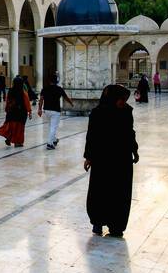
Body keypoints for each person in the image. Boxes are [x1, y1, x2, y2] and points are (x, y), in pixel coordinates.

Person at [84, 84, 139, 237]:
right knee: (100, 190)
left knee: (120, 192)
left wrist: (134, 149)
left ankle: (117, 225)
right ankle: (97, 222)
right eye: (121, 99)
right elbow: (92, 136)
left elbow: (130, 132)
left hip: (122, 158)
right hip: (102, 159)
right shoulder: (98, 113)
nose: (124, 102)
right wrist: (89, 157)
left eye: (125, 99)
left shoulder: (127, 112)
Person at [38, 71, 74, 148]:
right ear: (56, 81)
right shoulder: (59, 89)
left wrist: (39, 109)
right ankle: (49, 143)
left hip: (47, 110)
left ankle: (54, 139)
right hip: (55, 111)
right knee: (53, 127)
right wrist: (71, 103)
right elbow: (66, 97)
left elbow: (41, 99)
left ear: (49, 81)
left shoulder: (45, 89)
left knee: (51, 126)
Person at [0, 75, 31, 148]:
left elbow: (8, 101)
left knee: (11, 126)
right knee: (19, 128)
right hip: (21, 113)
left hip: (11, 112)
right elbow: (26, 102)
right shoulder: (23, 92)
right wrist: (29, 111)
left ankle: (9, 137)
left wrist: (6, 109)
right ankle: (18, 142)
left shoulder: (10, 91)